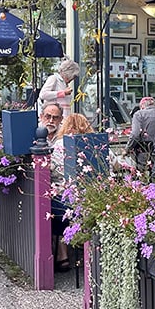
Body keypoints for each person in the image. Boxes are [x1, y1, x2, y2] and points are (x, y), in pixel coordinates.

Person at [49, 113, 96, 272]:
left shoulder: (59, 144)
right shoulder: (93, 143)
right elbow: (113, 163)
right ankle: (89, 254)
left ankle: (63, 256)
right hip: (91, 199)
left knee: (58, 211)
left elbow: (53, 170)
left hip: (66, 198)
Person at [126, 96, 155, 169]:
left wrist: (127, 148)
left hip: (144, 151)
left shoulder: (139, 114)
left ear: (142, 106)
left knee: (144, 175)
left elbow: (135, 134)